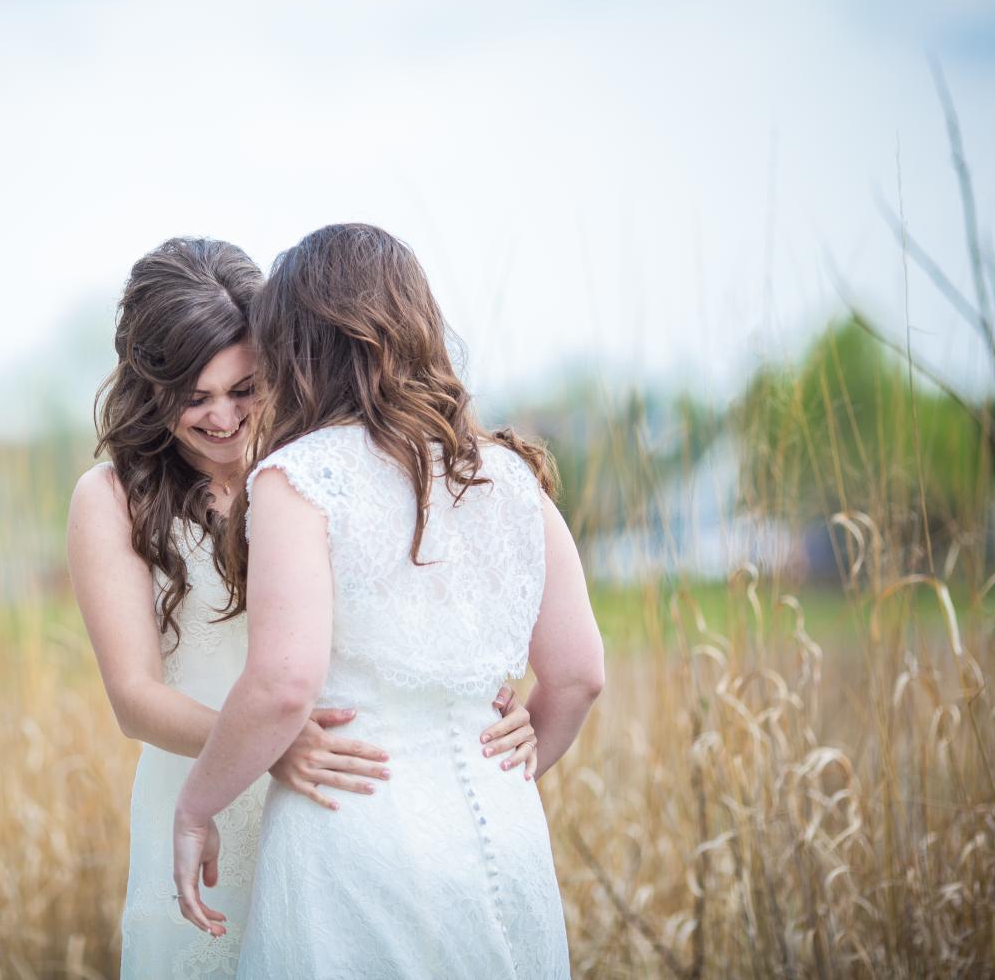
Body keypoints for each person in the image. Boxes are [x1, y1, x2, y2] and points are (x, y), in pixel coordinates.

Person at [68, 236, 542, 978]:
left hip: (340, 804)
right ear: (148, 386)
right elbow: (134, 697)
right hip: (209, 795)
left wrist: (482, 702)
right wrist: (268, 741)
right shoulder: (109, 497)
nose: (223, 417)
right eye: (194, 398)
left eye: (244, 387)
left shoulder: (314, 468)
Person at [171, 224, 605, 978]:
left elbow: (282, 684)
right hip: (504, 836)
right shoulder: (509, 476)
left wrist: (196, 805)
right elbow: (578, 674)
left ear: (294, 346)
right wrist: (519, 756)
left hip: (354, 839)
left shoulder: (299, 479)